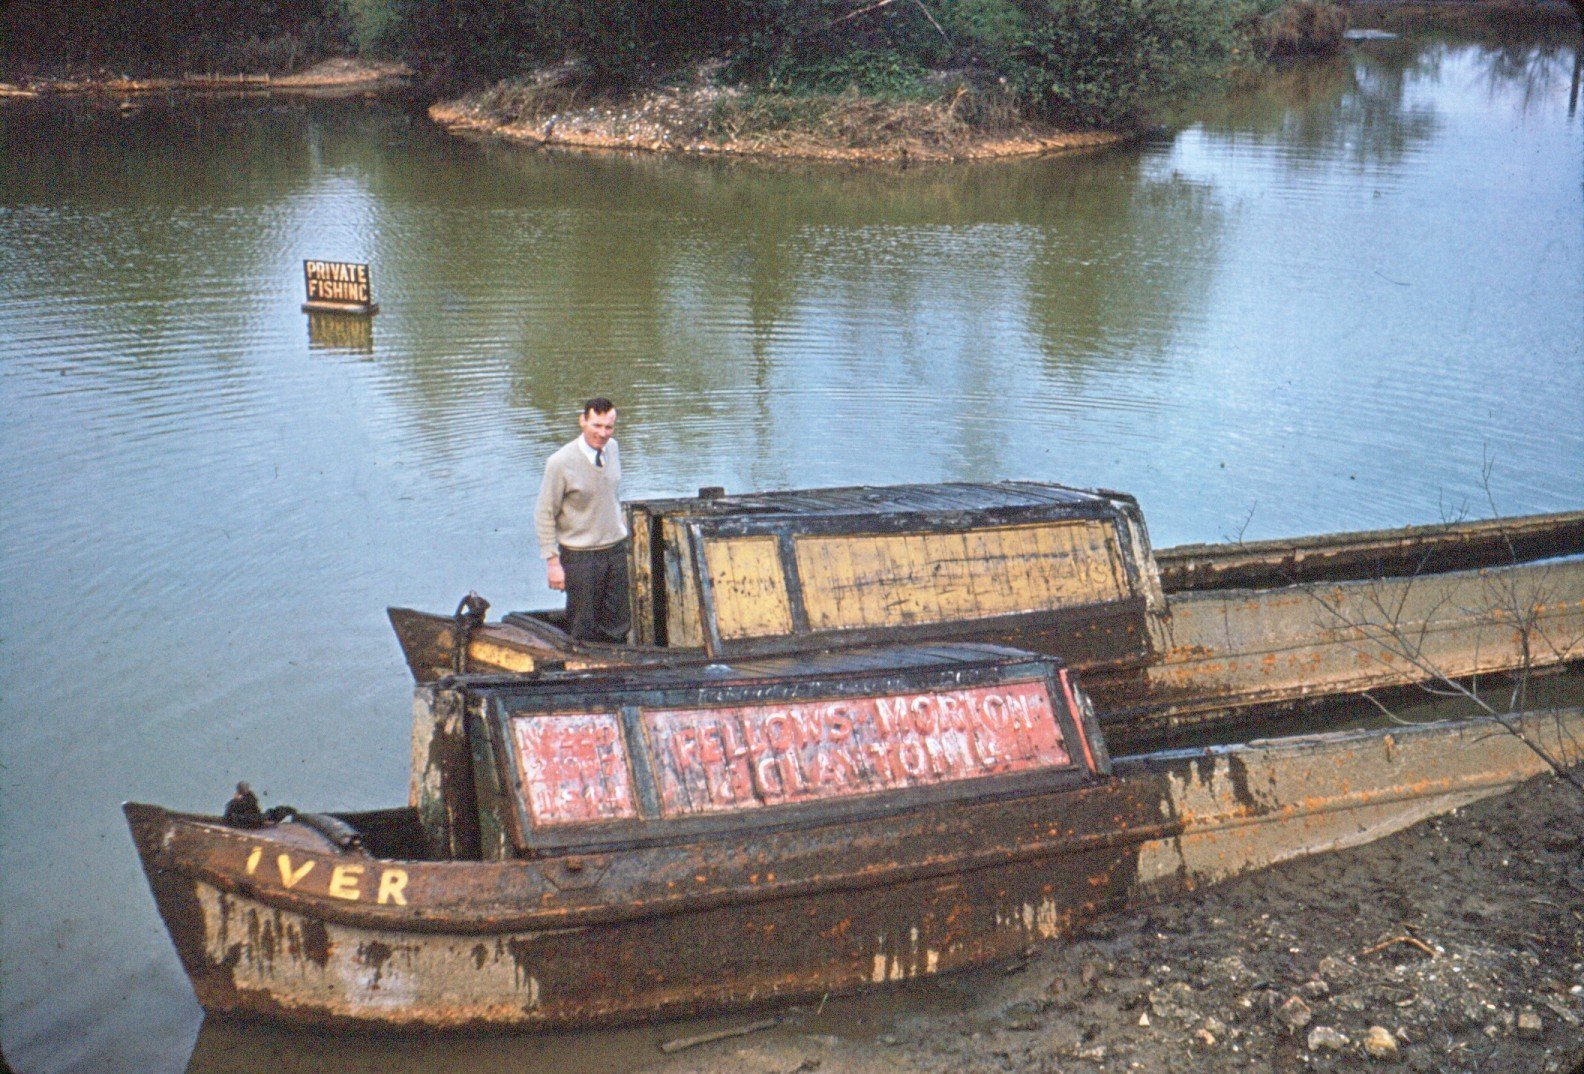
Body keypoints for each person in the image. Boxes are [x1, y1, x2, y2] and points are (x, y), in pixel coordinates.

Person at [535, 397, 630, 643]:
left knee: (618, 624)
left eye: (608, 427)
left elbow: (609, 495)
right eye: (596, 425)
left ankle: (614, 673)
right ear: (582, 421)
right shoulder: (560, 462)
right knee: (582, 626)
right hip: (580, 556)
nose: (602, 433)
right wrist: (552, 562)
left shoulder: (614, 448)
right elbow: (544, 512)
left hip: (615, 550)